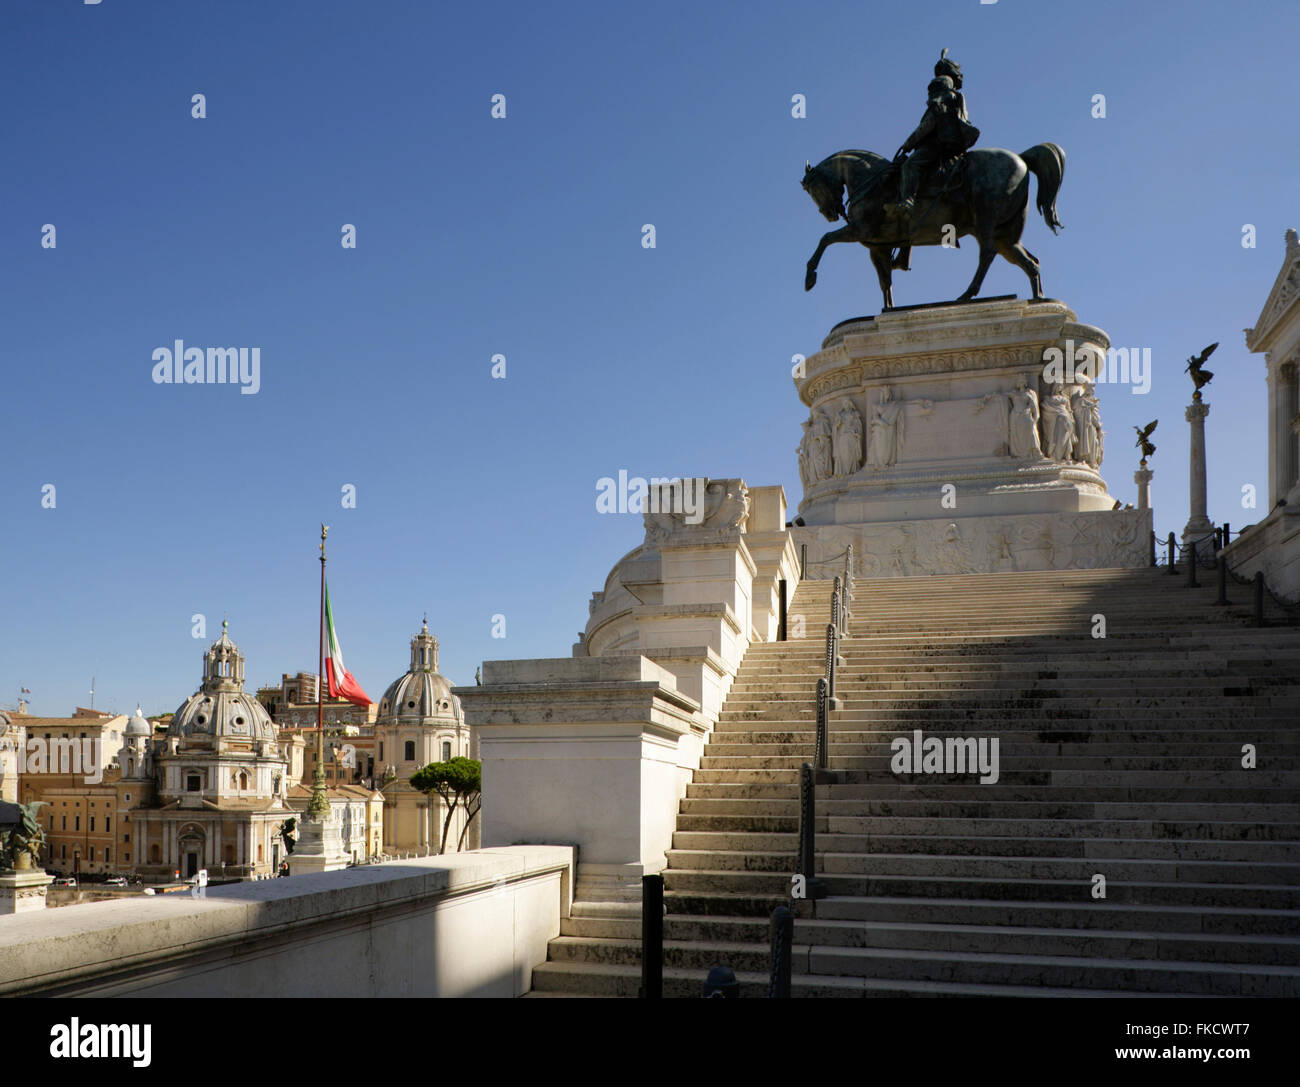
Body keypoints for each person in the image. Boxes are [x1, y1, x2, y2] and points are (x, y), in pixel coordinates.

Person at [890, 50, 979, 219]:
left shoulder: (941, 90)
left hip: (938, 143)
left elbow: (929, 123)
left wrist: (908, 144)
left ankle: (907, 201)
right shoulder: (955, 96)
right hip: (954, 144)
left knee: (910, 165)